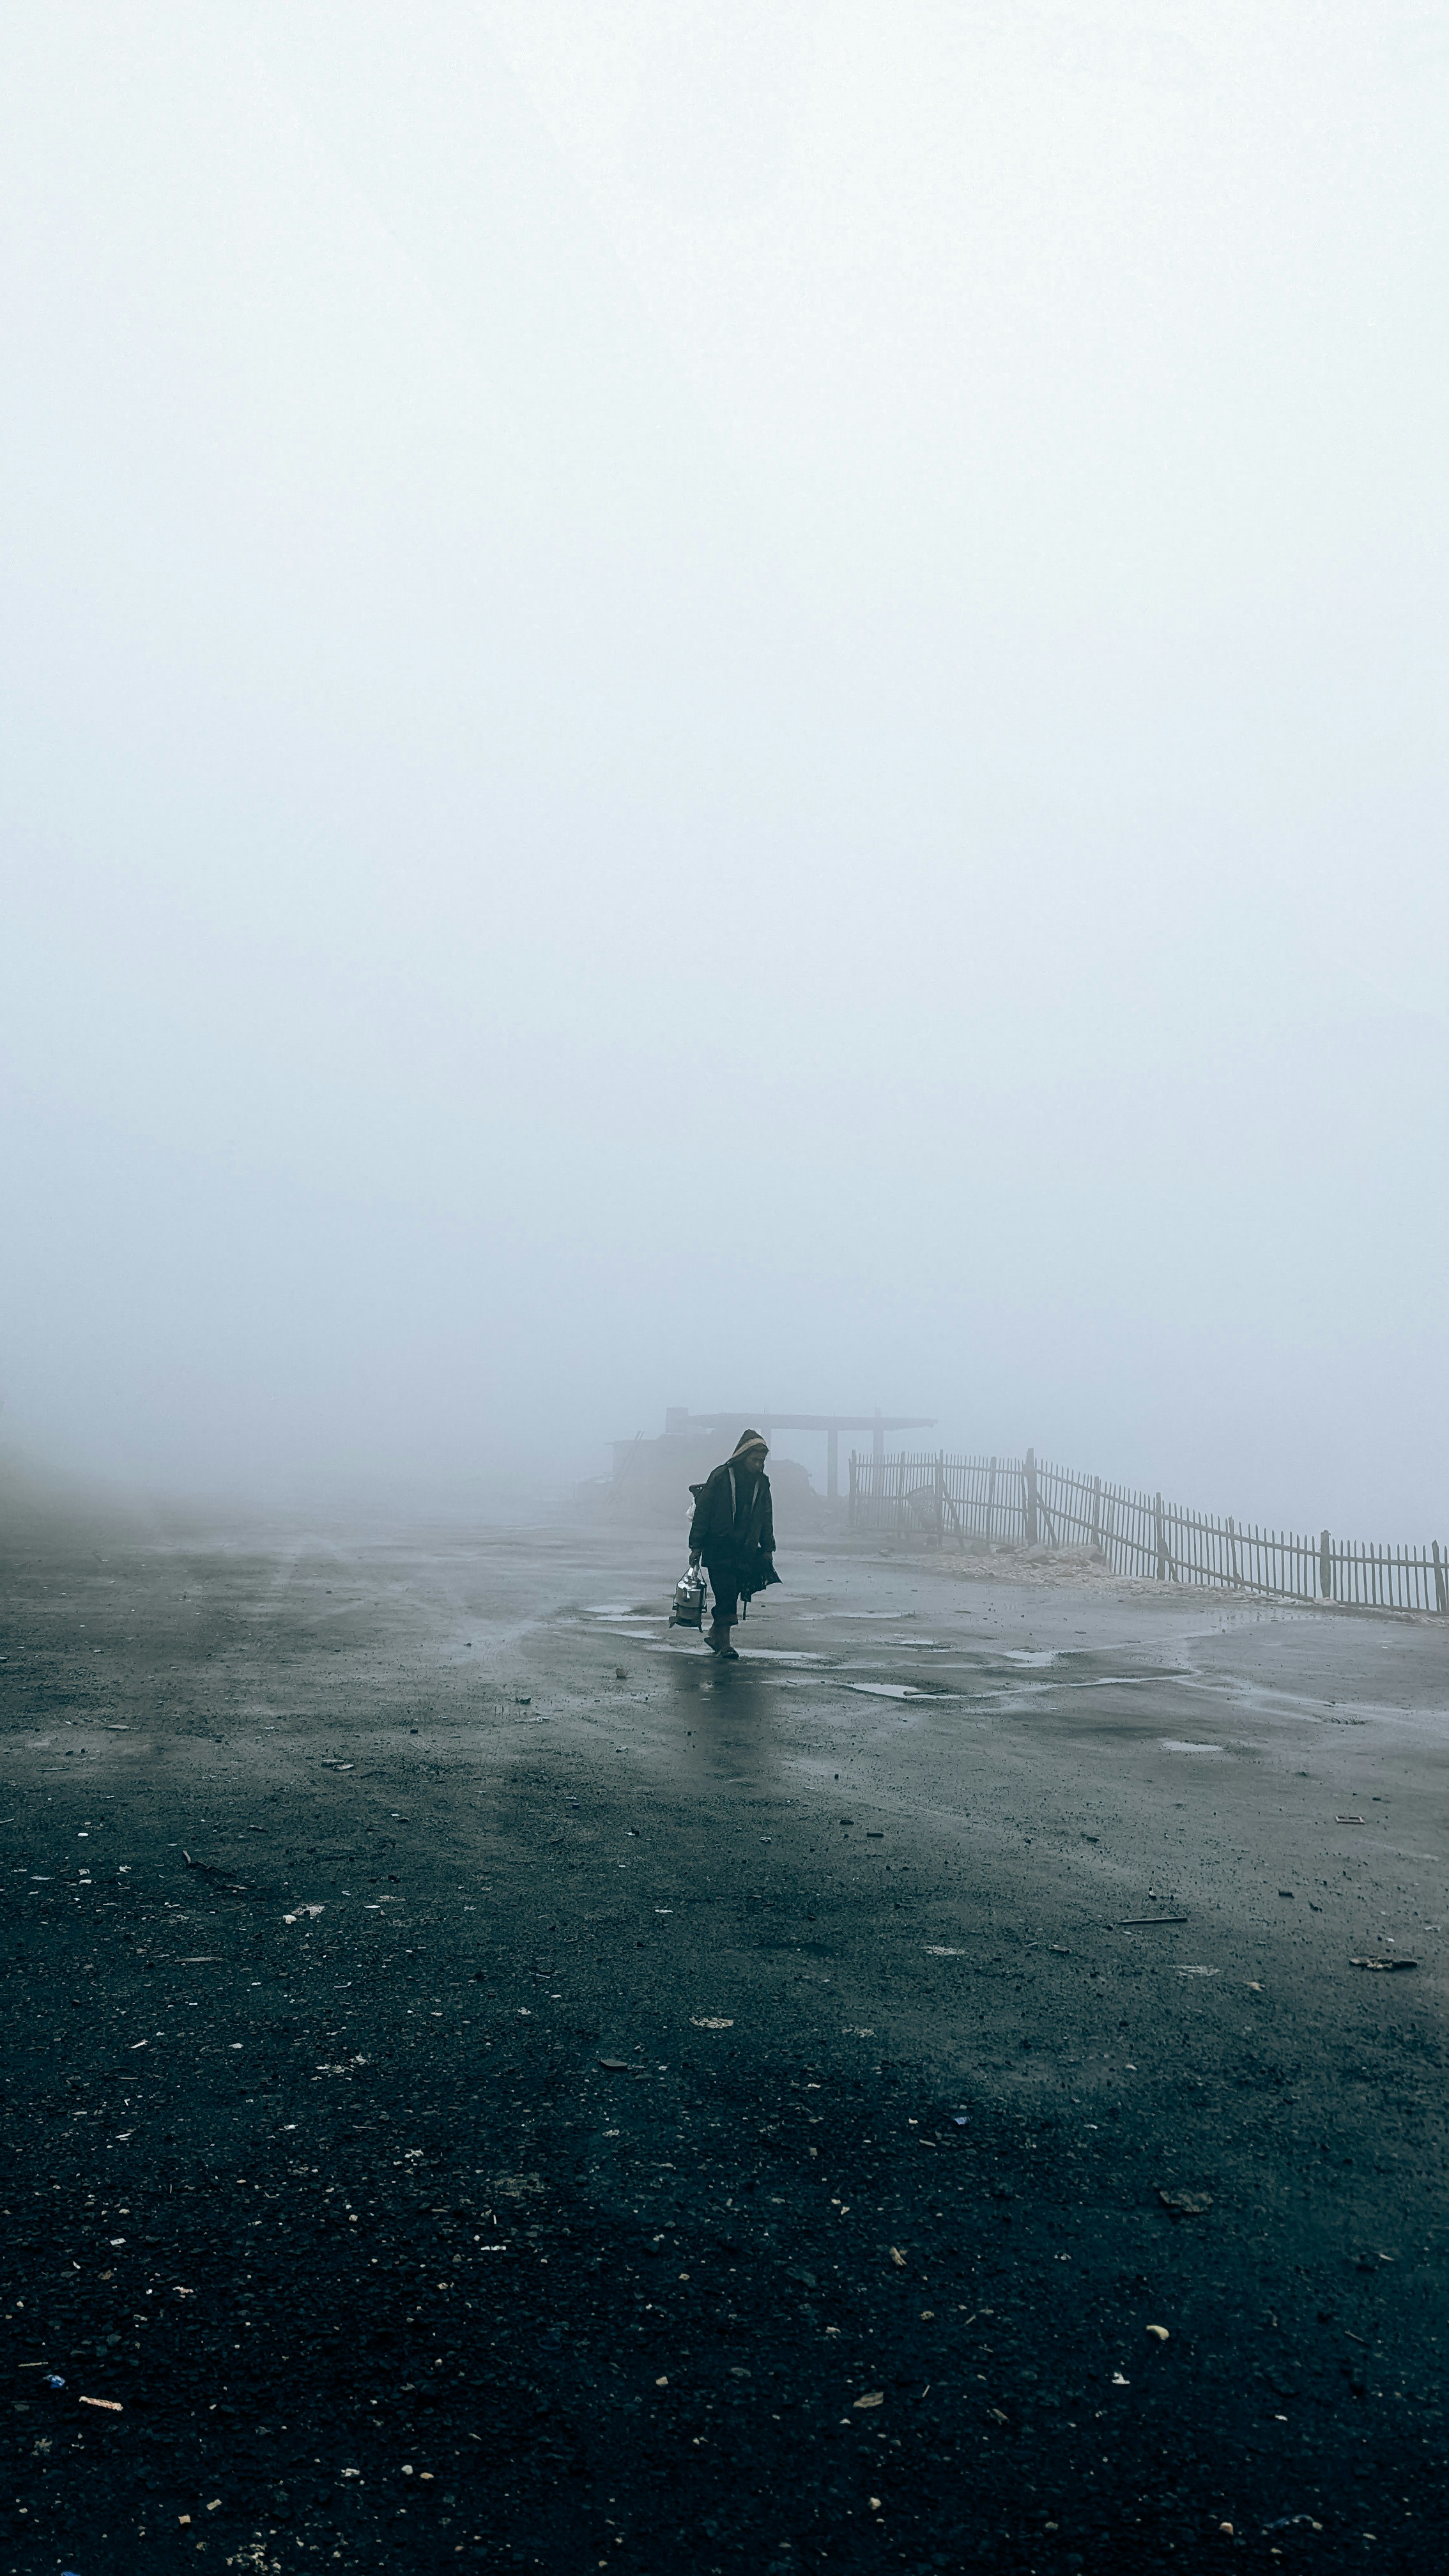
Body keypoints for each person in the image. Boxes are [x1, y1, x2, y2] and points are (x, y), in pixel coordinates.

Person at [688, 1428, 781, 1659]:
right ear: (743, 1457)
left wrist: (768, 1548)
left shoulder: (762, 1483)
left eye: (762, 1461)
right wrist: (695, 1547)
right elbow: (703, 1513)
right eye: (755, 1460)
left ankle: (714, 1634)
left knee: (732, 1593)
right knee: (726, 1593)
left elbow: (766, 1515)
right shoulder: (721, 1477)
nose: (759, 1465)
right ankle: (725, 1644)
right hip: (719, 1548)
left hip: (745, 1550)